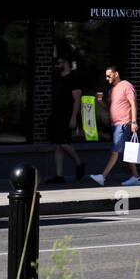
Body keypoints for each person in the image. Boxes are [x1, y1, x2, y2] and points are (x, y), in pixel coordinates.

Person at [90, 65, 140, 186]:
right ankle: (136, 177)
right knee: (125, 151)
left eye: (109, 75)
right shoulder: (111, 90)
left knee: (115, 150)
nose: (107, 78)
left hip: (124, 124)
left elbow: (133, 103)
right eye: (106, 76)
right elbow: (110, 108)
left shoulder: (126, 85)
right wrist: (100, 101)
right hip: (116, 124)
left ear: (116, 74)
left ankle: (102, 177)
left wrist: (134, 122)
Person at [44, 55, 85, 184]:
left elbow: (77, 99)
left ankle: (79, 164)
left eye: (58, 63)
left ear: (66, 63)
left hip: (67, 115)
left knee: (63, 142)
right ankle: (59, 175)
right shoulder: (57, 78)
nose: (56, 65)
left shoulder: (73, 79)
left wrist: (73, 117)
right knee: (57, 144)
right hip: (56, 114)